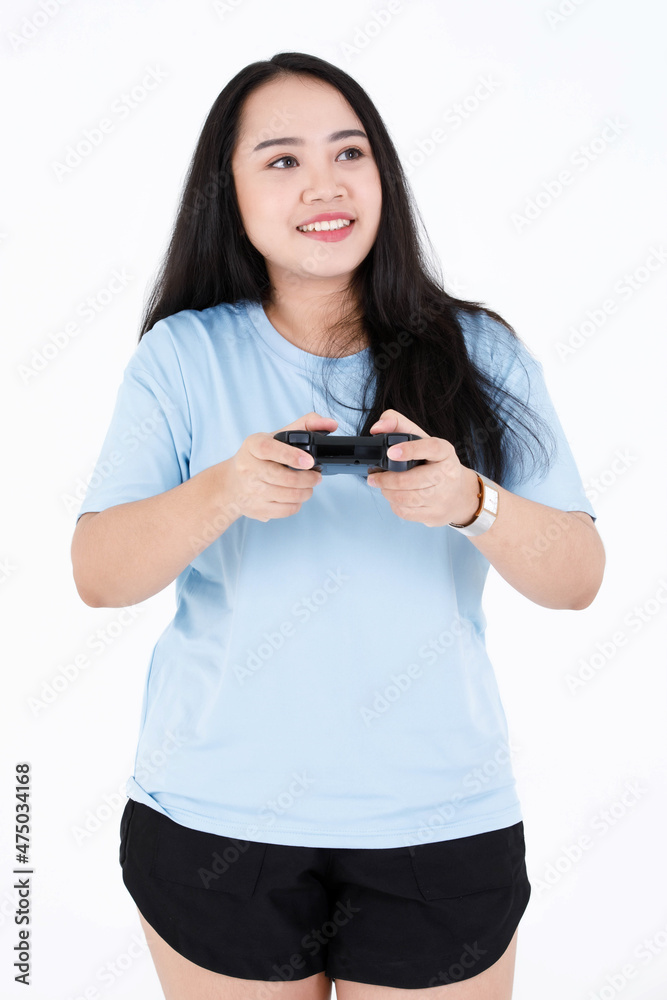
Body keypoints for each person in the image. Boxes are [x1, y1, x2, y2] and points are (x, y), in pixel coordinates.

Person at [70, 51, 605, 1000]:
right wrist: (225, 490)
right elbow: (98, 575)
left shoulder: (480, 350)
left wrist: (471, 502)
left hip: (438, 822)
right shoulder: (182, 355)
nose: (325, 185)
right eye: (281, 160)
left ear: (381, 174)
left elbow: (577, 579)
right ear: (228, 194)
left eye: (348, 153)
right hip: (217, 823)